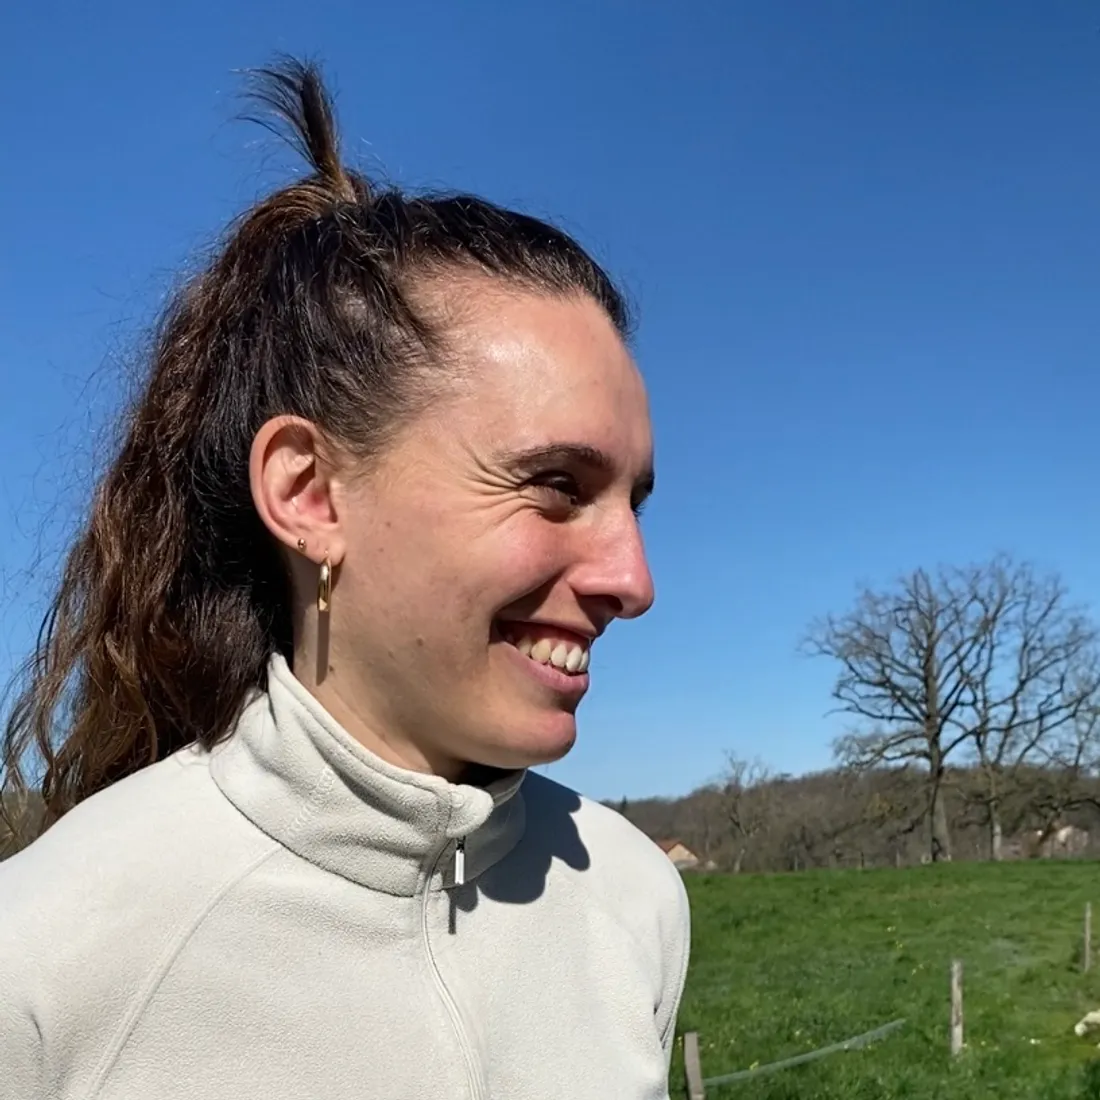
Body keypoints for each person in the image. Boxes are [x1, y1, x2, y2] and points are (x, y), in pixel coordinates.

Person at [0, 58, 690, 1100]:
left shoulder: (632, 894)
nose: (631, 579)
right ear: (310, 493)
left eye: (630, 502)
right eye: (553, 483)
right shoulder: (47, 958)